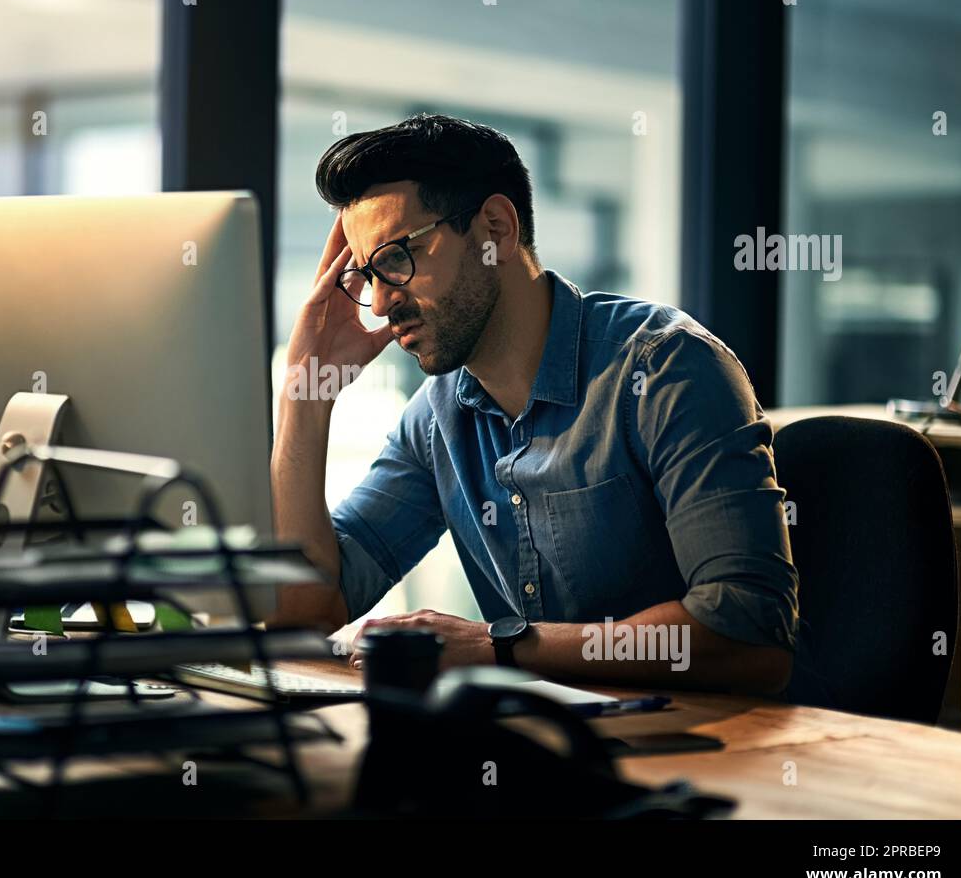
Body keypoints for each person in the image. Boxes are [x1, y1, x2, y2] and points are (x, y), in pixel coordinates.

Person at [271, 113, 797, 695]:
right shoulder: (436, 420)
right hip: (550, 752)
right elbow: (307, 611)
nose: (379, 303)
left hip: (720, 756)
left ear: (495, 227)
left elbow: (749, 635)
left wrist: (501, 647)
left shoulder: (665, 369)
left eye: (397, 258)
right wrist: (305, 396)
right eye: (366, 276)